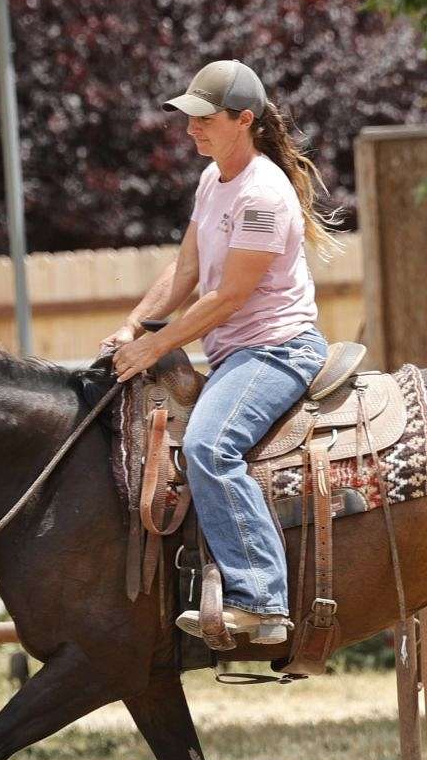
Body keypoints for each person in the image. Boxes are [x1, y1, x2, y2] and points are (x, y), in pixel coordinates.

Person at [100, 60, 338, 645]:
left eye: (205, 119)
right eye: (191, 118)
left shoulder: (262, 194)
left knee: (210, 444)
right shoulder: (213, 182)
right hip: (238, 353)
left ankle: (261, 600)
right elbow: (186, 267)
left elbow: (229, 296)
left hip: (277, 350)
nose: (191, 130)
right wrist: (135, 325)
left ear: (245, 121)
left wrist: (156, 343)